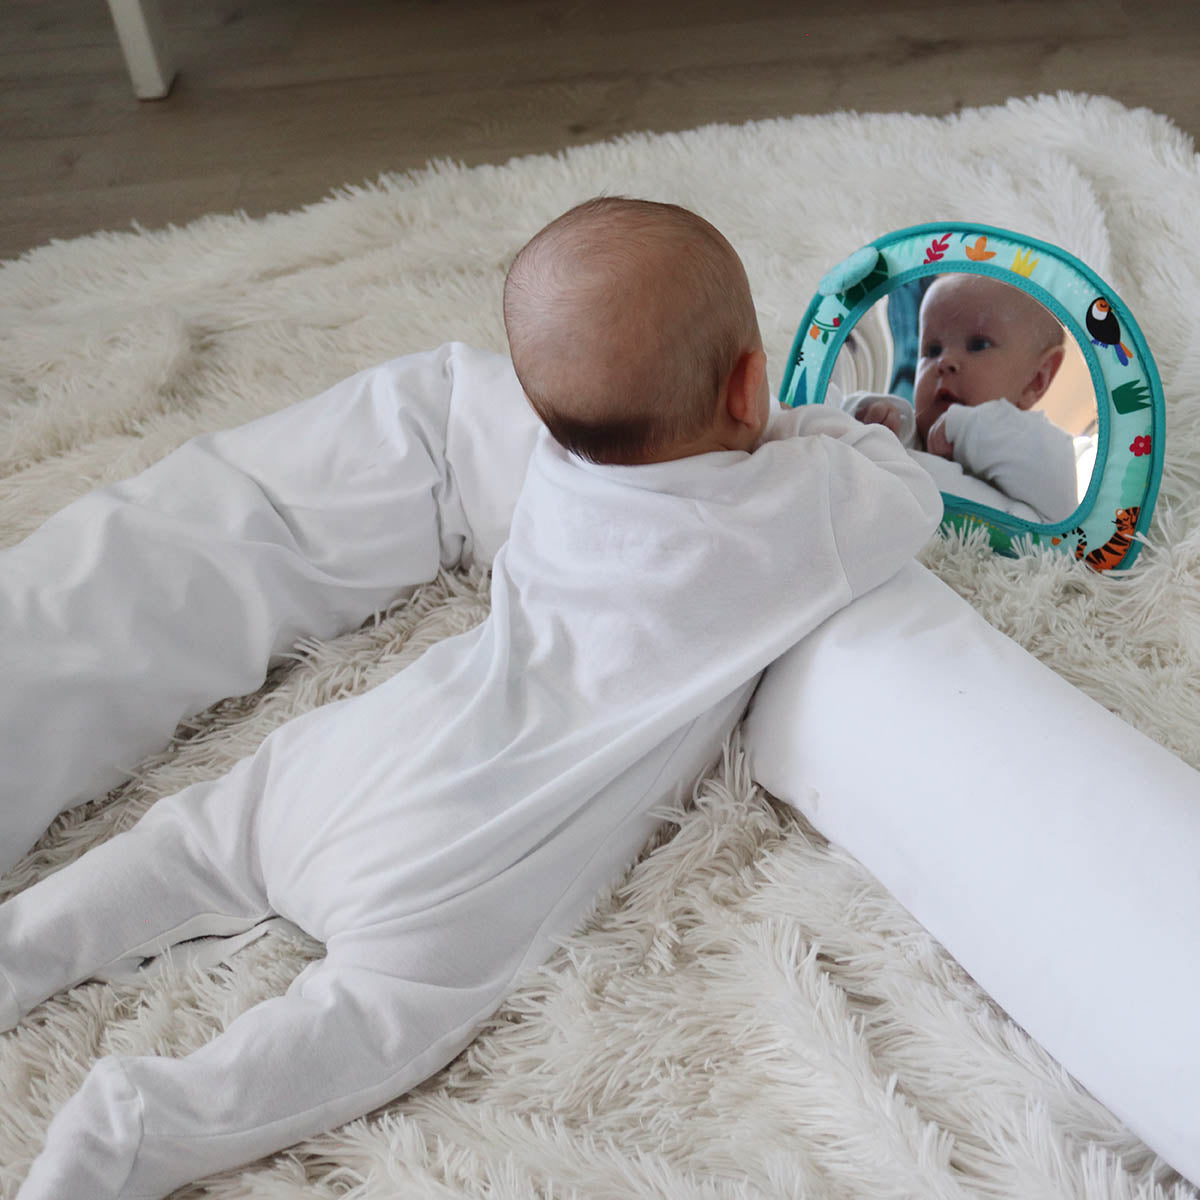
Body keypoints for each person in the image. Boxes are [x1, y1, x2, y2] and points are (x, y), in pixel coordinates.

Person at [1, 198, 942, 1199]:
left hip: (353, 753)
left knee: (185, 847)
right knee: (365, 1024)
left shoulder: (555, 470)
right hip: (456, 854)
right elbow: (906, 491)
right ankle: (139, 1126)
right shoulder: (793, 519)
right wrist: (844, 426)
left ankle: (21, 948)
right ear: (750, 385)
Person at [845, 273, 1081, 522]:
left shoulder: (1036, 450)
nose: (944, 361)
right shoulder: (906, 439)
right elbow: (830, 428)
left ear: (1037, 379)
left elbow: (1062, 502)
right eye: (932, 350)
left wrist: (964, 427)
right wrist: (869, 415)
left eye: (978, 345)